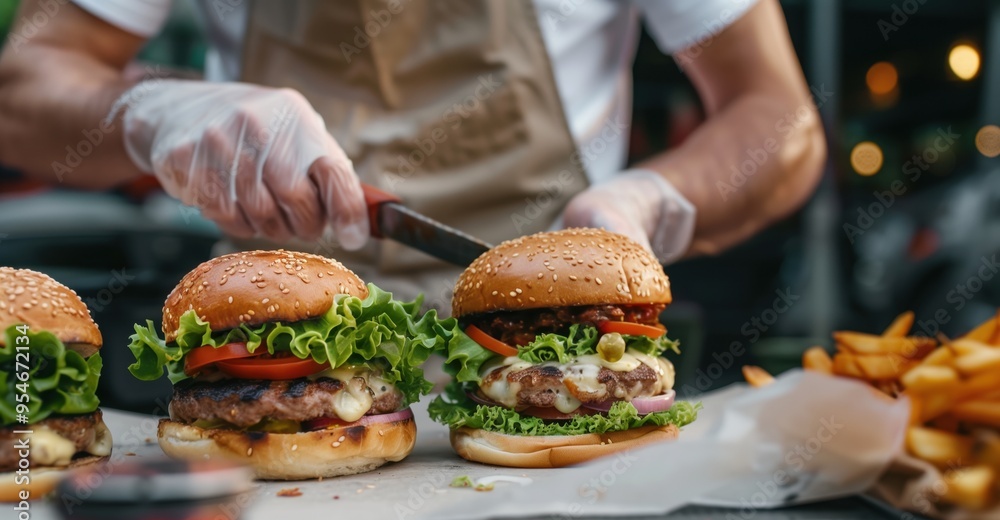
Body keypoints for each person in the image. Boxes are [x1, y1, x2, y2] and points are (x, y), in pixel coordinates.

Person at [0, 0, 824, 306]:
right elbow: (24, 88)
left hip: (548, 354)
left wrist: (651, 203)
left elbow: (778, 119)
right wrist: (154, 111)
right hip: (272, 347)